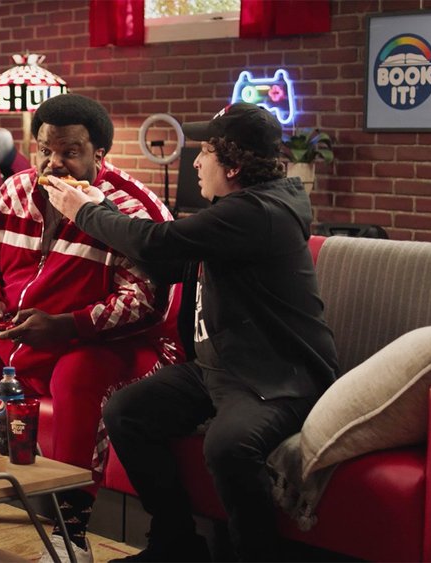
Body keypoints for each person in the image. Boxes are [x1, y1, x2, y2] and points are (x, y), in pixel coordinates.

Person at [43, 102, 339, 562]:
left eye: (205, 152)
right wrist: (104, 213)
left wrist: (86, 212)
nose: (196, 162)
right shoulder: (238, 210)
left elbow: (157, 241)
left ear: (234, 166)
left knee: (229, 446)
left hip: (277, 377)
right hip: (220, 367)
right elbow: (167, 261)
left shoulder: (259, 212)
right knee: (127, 411)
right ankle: (176, 544)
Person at [0, 94, 182, 563]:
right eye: (44, 150)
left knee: (78, 374)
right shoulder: (14, 190)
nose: (53, 163)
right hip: (26, 337)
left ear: (99, 154)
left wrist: (67, 326)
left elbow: (151, 302)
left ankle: (70, 531)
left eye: (70, 152)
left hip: (119, 348)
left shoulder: (134, 208)